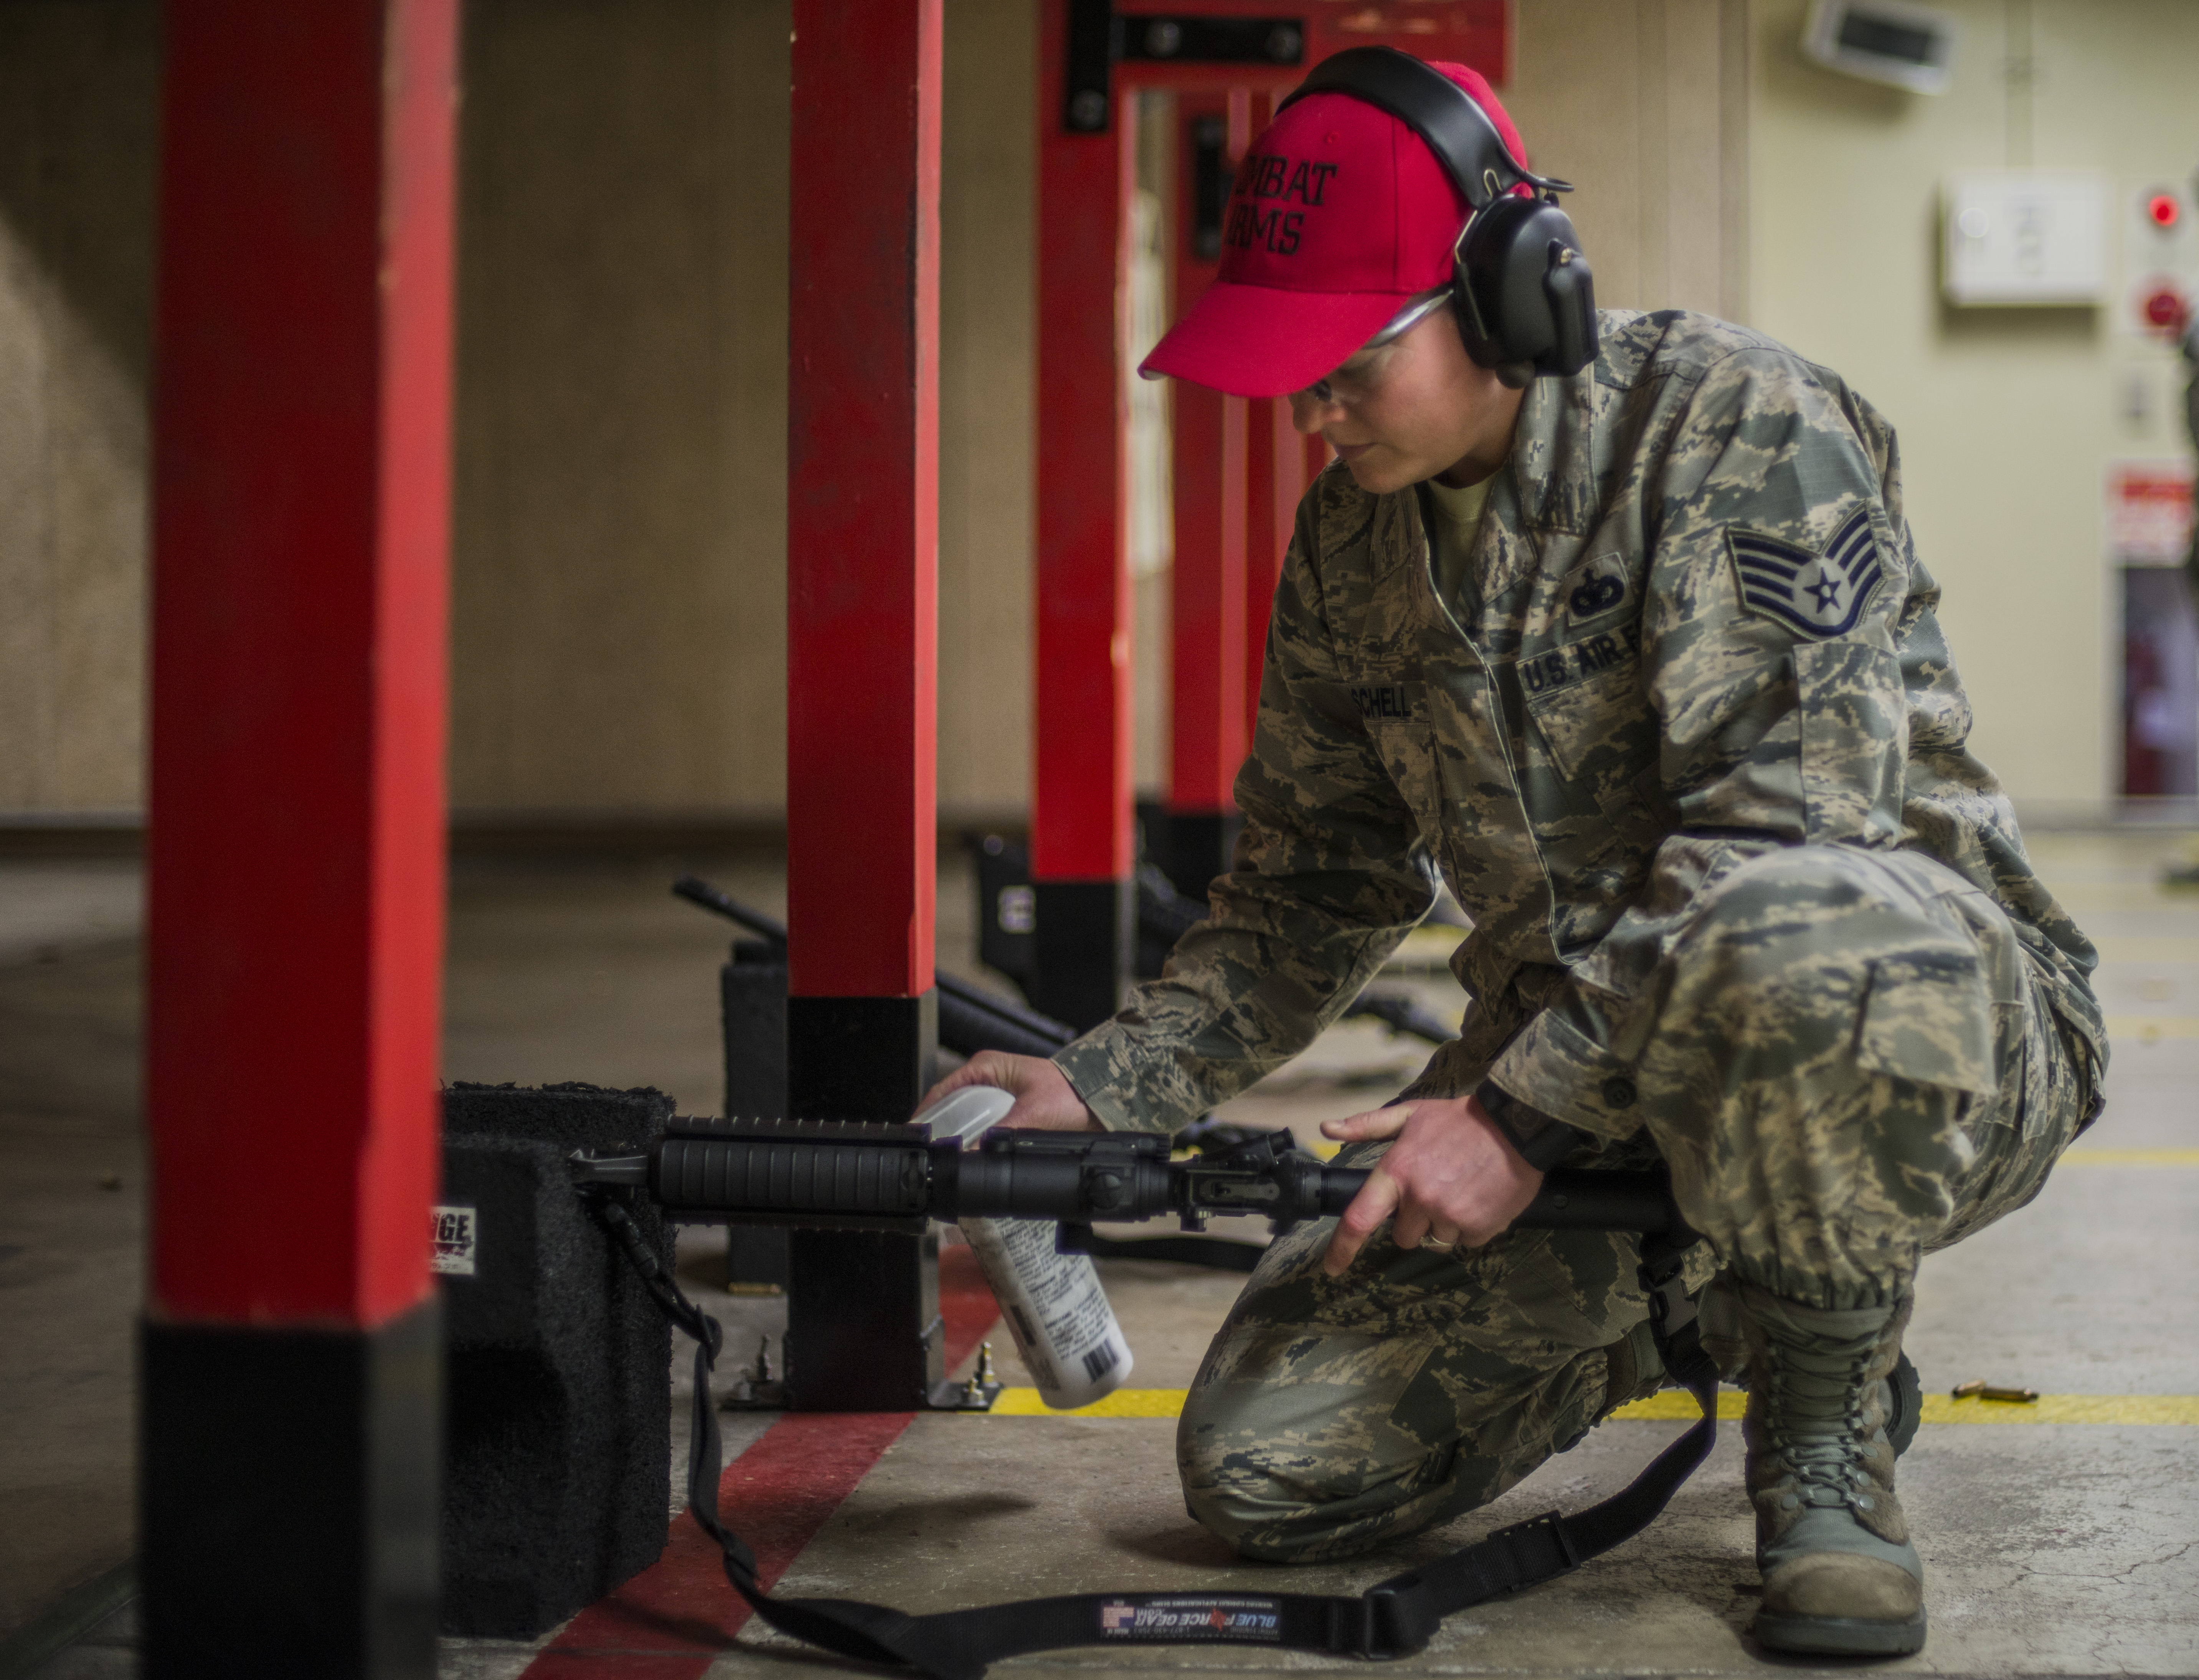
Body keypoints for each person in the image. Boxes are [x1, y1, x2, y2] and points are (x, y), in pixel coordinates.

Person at [921, 55, 2104, 1659]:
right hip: (1585, 1077)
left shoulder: (1733, 429)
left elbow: (1787, 834)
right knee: (1267, 1469)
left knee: (1799, 931)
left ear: (1511, 299)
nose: (1305, 411)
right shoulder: (1354, 531)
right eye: (1287, 371)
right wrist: (1105, 1081)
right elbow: (1312, 882)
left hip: (1903, 1024)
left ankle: (1823, 1431)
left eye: (1345, 362)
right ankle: (1716, 1291)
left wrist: (1513, 1117)